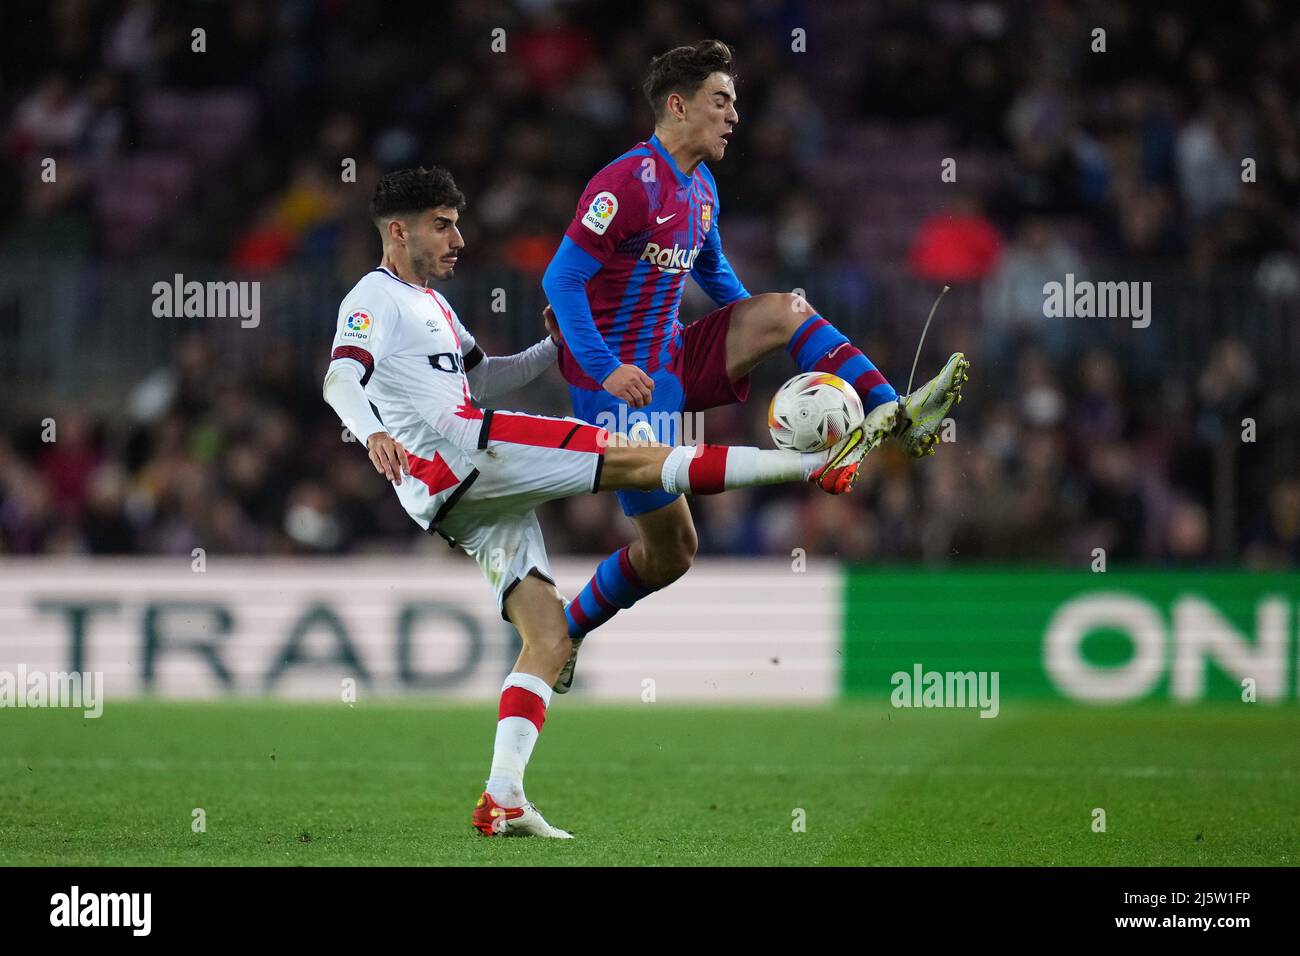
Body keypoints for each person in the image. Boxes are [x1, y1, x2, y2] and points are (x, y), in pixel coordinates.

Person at [323, 167, 880, 837]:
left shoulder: (434, 305)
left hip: (453, 497)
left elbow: (486, 378)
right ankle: (813, 463)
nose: (458, 239)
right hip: (463, 451)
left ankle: (502, 797)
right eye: (442, 226)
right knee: (638, 456)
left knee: (549, 638)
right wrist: (373, 431)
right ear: (397, 231)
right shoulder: (373, 297)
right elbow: (340, 377)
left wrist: (552, 348)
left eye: (456, 224)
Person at [542, 40, 970, 688]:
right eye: (721, 101)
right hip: (619, 391)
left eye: (734, 103)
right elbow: (561, 279)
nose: (734, 116)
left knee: (784, 307)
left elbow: (716, 276)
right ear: (678, 106)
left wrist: (770, 334)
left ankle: (893, 409)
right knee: (672, 551)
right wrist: (604, 369)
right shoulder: (625, 183)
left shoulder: (702, 188)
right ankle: (568, 626)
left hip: (673, 357)